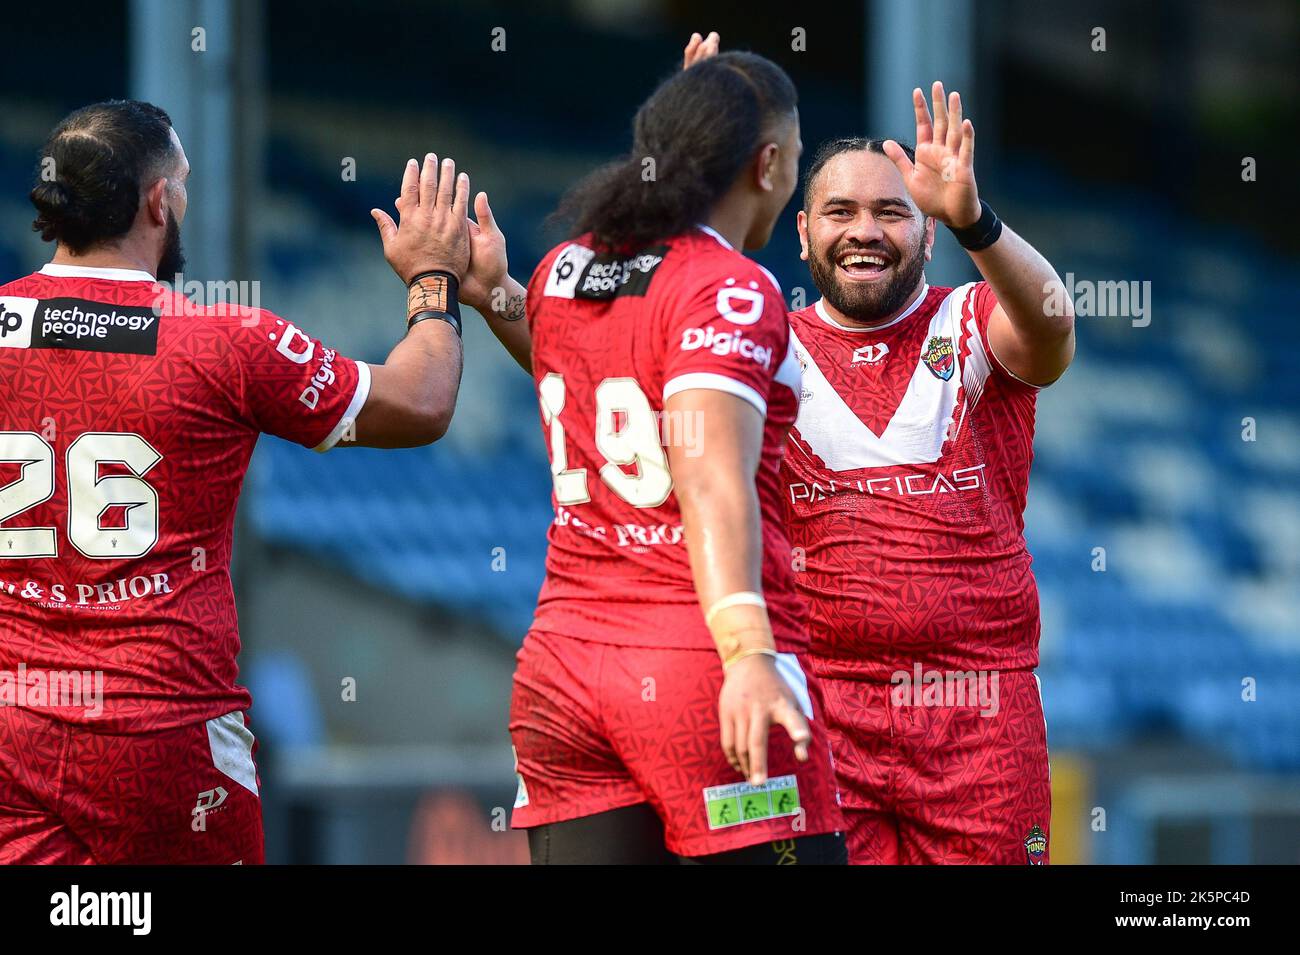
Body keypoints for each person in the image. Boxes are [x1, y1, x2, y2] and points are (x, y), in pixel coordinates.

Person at [0, 99, 485, 863]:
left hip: (13, 733)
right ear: (159, 200)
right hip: (165, 734)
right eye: (181, 184)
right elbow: (421, 402)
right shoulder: (225, 338)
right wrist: (432, 277)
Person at [491, 49, 846, 864]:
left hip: (562, 675)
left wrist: (484, 291)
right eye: (793, 158)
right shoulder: (731, 285)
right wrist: (750, 651)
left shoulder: (563, 268)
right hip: (698, 667)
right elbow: (710, 472)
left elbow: (575, 357)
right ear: (767, 164)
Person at [783, 86, 1075, 863]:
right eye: (840, 212)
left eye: (892, 211)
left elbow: (1052, 325)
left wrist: (975, 219)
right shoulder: (765, 345)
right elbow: (597, 368)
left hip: (980, 712)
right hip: (821, 707)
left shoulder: (971, 320)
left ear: (929, 234)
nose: (866, 231)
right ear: (803, 234)